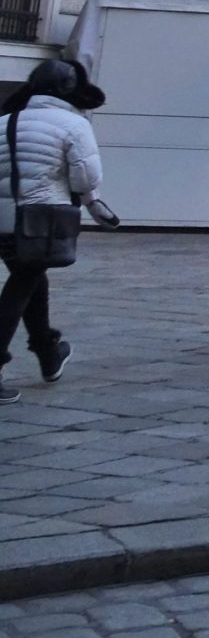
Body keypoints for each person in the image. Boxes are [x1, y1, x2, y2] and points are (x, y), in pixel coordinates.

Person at [0, 59, 107, 404]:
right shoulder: (74, 124)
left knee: (30, 278)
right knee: (20, 287)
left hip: (2, 218)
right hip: (40, 220)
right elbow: (85, 178)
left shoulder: (6, 120)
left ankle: (48, 350)